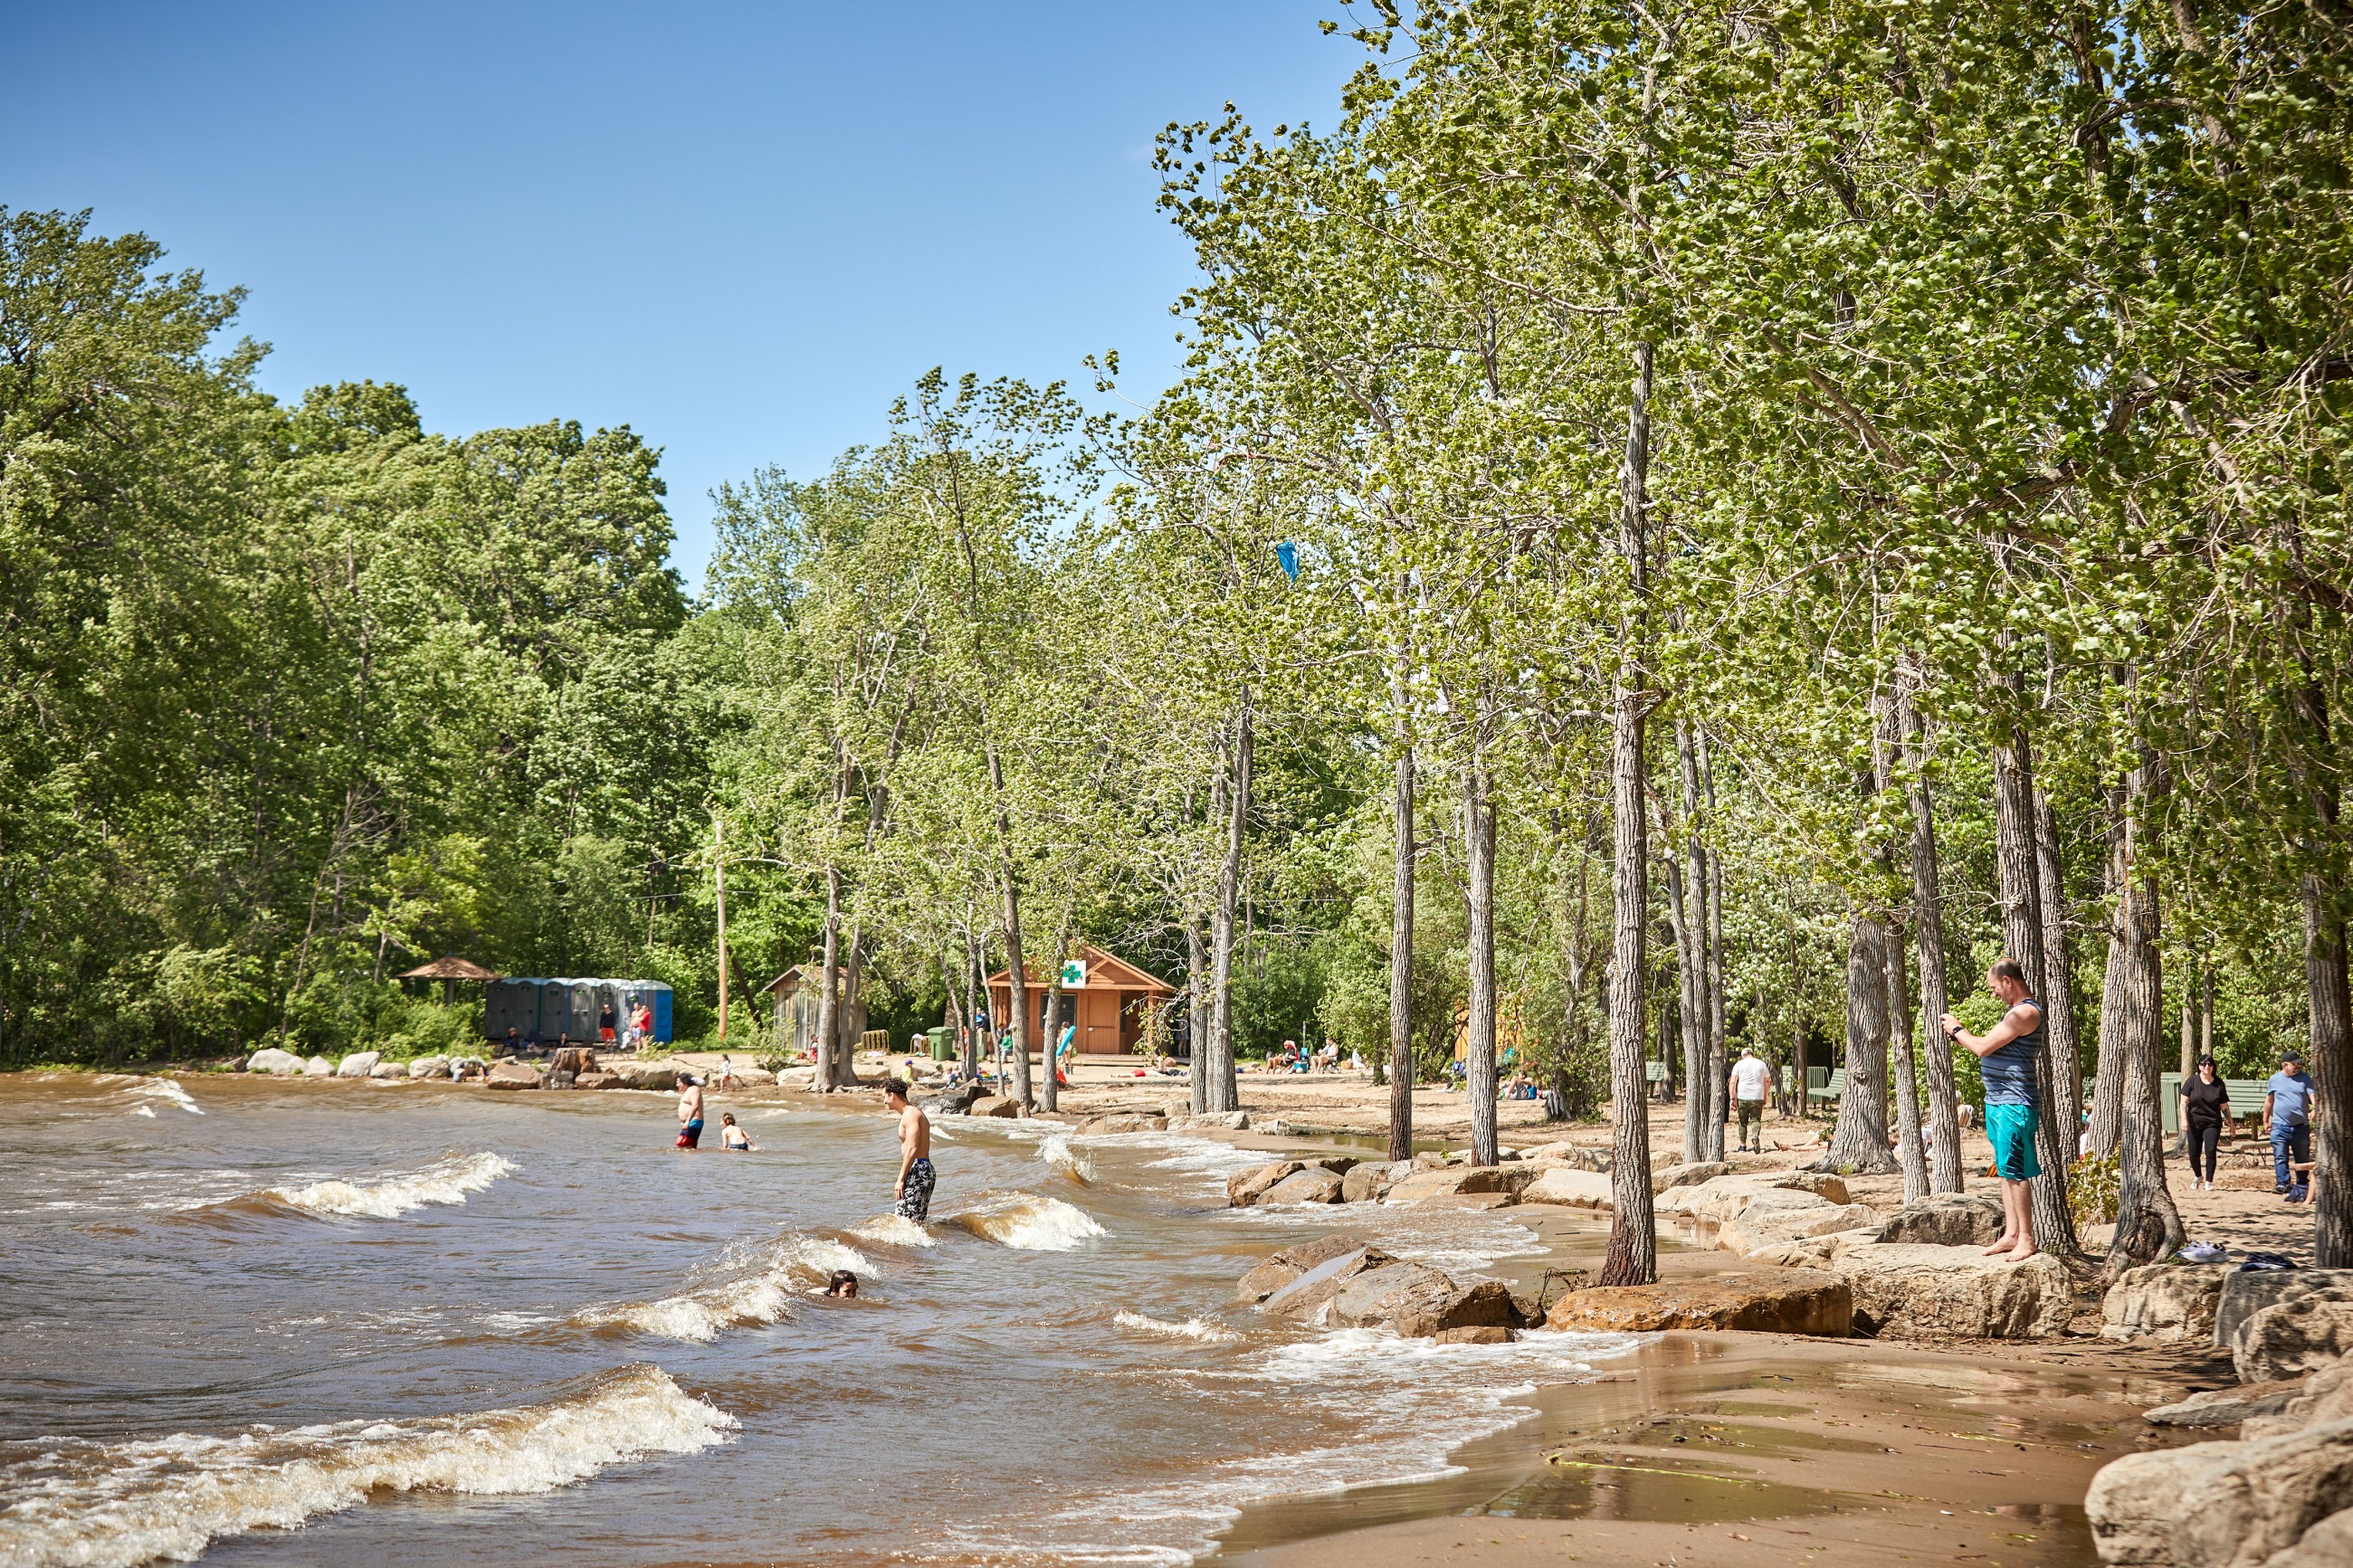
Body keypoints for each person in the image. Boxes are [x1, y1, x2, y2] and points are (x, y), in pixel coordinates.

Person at [1939, 958, 2045, 1264]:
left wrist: (1957, 1029)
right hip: (1998, 1101)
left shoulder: (2026, 1012)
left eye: (1994, 987)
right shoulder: (2012, 1014)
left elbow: (1982, 1047)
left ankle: (2026, 1238)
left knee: (2016, 1169)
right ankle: (2011, 1233)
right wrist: (1963, 1035)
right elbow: (1987, 1046)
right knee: (2004, 1168)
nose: (1994, 993)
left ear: (2008, 981)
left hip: (2015, 1102)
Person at [2266, 1050, 2320, 1196]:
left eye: (2299, 1063)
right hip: (2279, 1125)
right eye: (2295, 1064)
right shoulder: (2274, 1079)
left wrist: (2316, 1108)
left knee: (2302, 1155)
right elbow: (2269, 1101)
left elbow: (2312, 1095)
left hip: (2300, 1126)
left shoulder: (2305, 1078)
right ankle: (2282, 1183)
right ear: (2285, 1065)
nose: (2298, 1066)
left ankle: (2302, 1183)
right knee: (2280, 1155)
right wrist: (2265, 1120)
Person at [883, 1079, 934, 1222]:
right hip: (923, 1169)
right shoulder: (911, 1112)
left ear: (892, 1095)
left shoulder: (910, 1114)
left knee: (905, 1221)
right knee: (916, 1222)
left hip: (919, 1169)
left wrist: (900, 1179)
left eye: (884, 1097)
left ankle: (909, 1246)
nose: (884, 1101)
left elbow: (913, 1147)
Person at [2180, 1057, 2228, 1192]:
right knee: (2193, 1154)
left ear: (2213, 1067)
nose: (2207, 1066)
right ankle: (2198, 1176)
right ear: (2199, 1066)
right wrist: (2184, 1119)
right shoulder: (2192, 1081)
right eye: (2204, 1064)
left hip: (2212, 1123)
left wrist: (2231, 1123)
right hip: (2194, 1122)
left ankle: (2209, 1181)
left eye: (2210, 1064)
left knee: (2210, 1151)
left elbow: (2224, 1106)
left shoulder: (2219, 1084)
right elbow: (2183, 1102)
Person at [1729, 1046, 1772, 1154]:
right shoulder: (1761, 1064)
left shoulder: (1739, 1064)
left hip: (1743, 1095)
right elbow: (1768, 1081)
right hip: (1757, 1095)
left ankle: (1742, 1146)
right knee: (1756, 1119)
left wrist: (1732, 1098)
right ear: (1752, 1054)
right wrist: (1765, 1096)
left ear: (1743, 1055)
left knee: (1742, 1121)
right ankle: (1755, 1135)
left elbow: (1733, 1082)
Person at [676, 1072, 705, 1149]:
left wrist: (688, 1121)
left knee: (684, 1143)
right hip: (689, 1122)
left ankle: (689, 1160)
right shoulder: (689, 1090)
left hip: (694, 1121)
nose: (677, 1085)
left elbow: (695, 1105)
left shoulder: (694, 1089)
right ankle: (689, 1160)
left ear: (685, 1082)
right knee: (686, 1145)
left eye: (678, 1082)